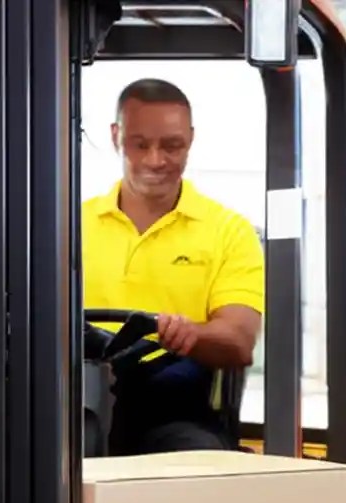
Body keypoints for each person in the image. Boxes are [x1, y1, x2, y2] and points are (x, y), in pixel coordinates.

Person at [82, 78, 265, 455]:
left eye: (171, 145)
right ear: (116, 137)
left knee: (200, 461)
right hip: (72, 403)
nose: (155, 160)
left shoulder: (228, 231)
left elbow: (239, 340)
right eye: (140, 144)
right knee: (19, 460)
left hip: (172, 410)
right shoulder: (69, 226)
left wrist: (190, 335)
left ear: (190, 140)